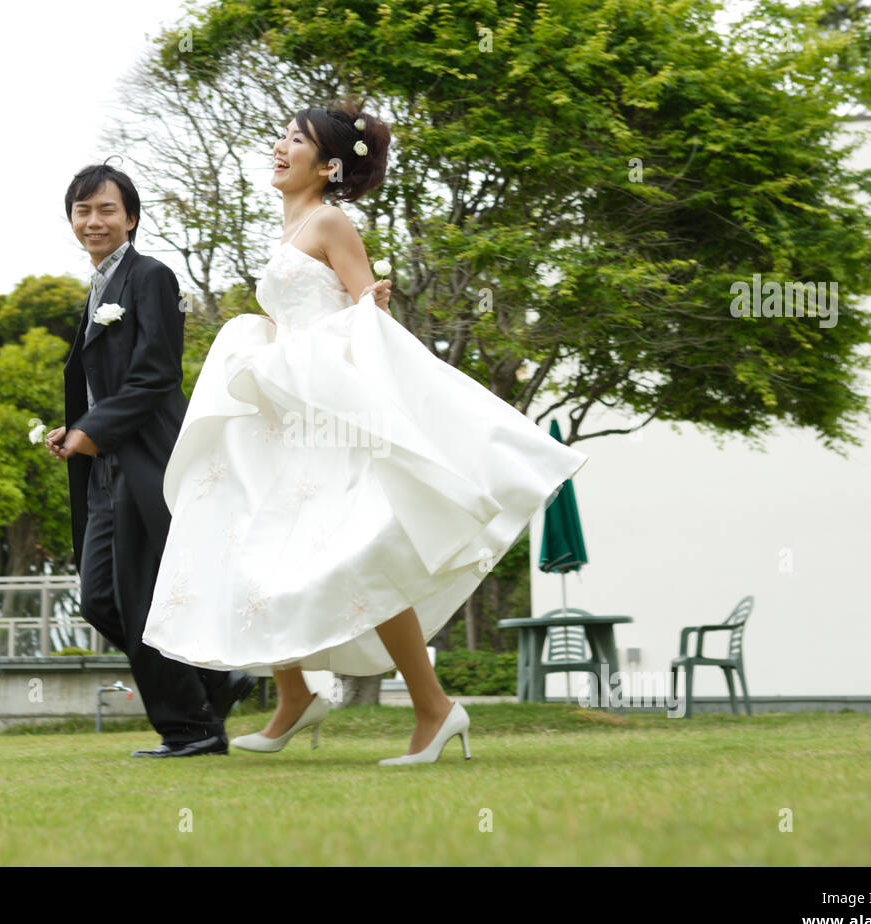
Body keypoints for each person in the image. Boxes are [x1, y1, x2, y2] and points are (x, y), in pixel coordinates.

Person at [140, 102, 588, 765]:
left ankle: (433, 709)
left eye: (297, 140)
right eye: (283, 136)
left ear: (326, 166)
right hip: (286, 416)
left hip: (330, 416)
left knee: (353, 555)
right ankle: (294, 694)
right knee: (249, 541)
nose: (280, 146)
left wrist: (366, 311)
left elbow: (366, 318)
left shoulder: (329, 220)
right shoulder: (291, 226)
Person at [46, 161, 256, 758]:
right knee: (101, 601)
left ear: (131, 218)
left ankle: (191, 728)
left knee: (139, 598)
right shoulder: (97, 288)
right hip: (103, 466)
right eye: (83, 211)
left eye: (107, 209)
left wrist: (94, 430)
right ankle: (217, 680)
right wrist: (78, 430)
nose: (94, 221)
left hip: (147, 461)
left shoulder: (151, 276)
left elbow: (156, 375)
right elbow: (106, 382)